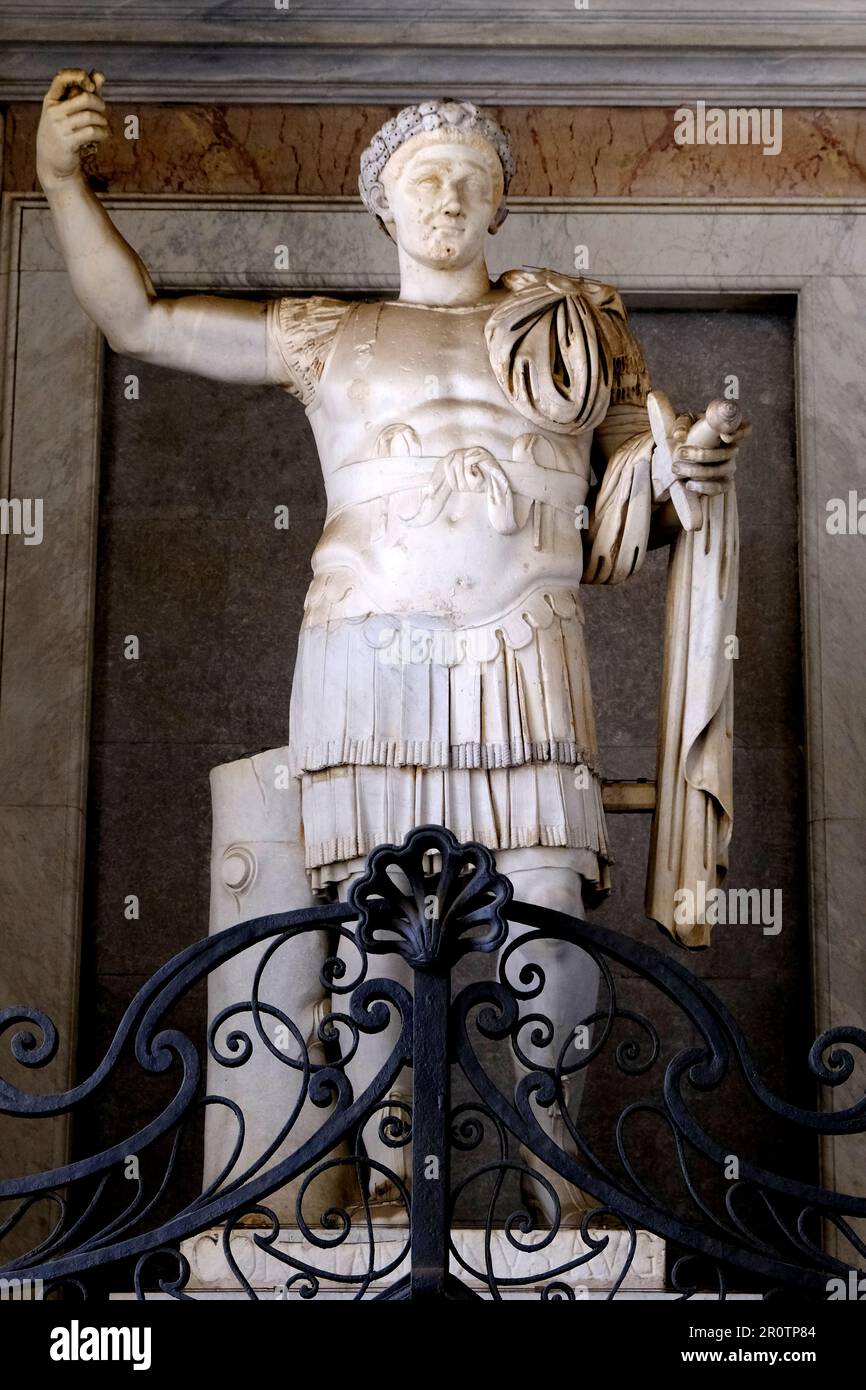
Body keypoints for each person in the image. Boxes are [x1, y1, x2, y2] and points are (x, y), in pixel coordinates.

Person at [37, 75, 745, 1225]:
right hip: (369, 660)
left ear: (500, 207)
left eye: (473, 178)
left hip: (525, 652)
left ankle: (556, 1173)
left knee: (549, 916)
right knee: (371, 938)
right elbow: (141, 321)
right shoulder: (331, 334)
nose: (449, 194)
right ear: (383, 207)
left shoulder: (570, 332)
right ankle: (380, 1186)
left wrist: (687, 467)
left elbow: (640, 481)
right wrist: (62, 181)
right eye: (425, 177)